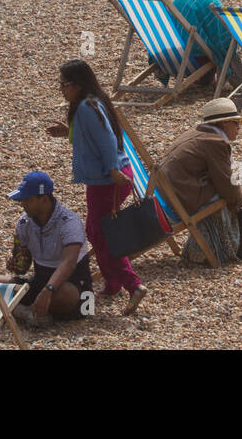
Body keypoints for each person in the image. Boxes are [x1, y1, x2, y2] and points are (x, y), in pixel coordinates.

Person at [46, 60, 146, 314]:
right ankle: (112, 283)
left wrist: (112, 170)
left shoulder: (88, 107)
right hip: (103, 180)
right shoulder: (88, 105)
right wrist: (67, 132)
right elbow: (90, 136)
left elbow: (107, 140)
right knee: (94, 230)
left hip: (109, 180)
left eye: (64, 85)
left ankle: (133, 285)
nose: (62, 90)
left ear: (78, 85)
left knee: (102, 234)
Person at [157, 98, 242, 266]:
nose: (239, 128)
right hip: (177, 205)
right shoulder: (215, 143)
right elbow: (227, 187)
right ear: (225, 123)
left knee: (233, 185)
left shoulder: (197, 133)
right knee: (231, 198)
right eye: (236, 123)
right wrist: (239, 198)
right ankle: (215, 250)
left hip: (161, 198)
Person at [2, 171, 95, 326]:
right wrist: (16, 263)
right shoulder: (25, 223)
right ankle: (29, 312)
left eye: (27, 200)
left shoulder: (69, 222)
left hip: (75, 290)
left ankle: (22, 310)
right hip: (40, 283)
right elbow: (23, 267)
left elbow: (69, 262)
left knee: (65, 294)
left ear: (44, 199)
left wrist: (47, 291)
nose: (22, 204)